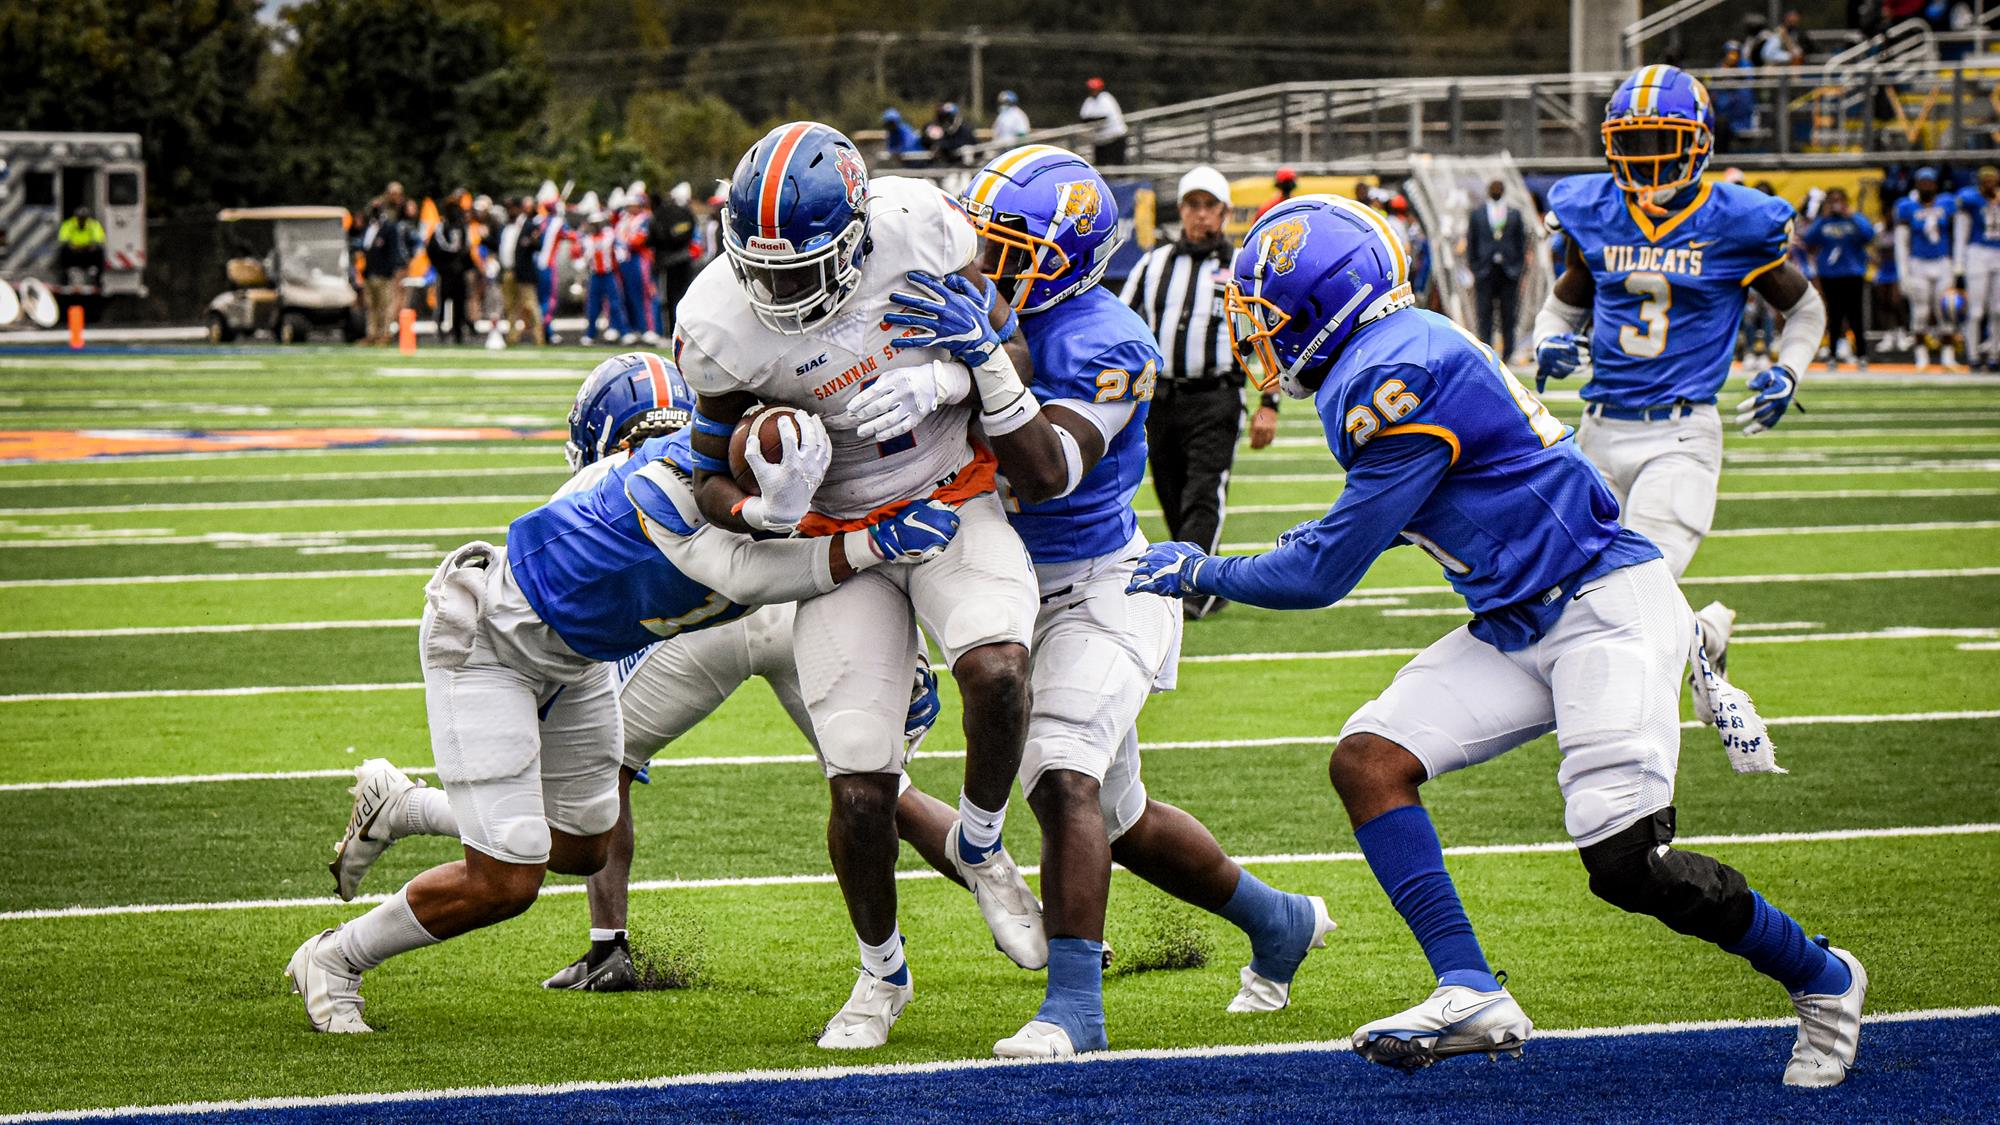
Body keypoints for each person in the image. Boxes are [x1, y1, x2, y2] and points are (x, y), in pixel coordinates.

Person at [1131, 192, 1866, 1086]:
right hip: (1520, 615)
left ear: (1327, 303)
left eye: (1271, 314)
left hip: (1602, 604)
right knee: (1369, 759)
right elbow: (1410, 510)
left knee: (1626, 864)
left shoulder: (1392, 374)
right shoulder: (1393, 351)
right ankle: (1470, 986)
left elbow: (1321, 574)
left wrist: (1199, 568)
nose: (1260, 335)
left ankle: (1823, 975)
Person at [285, 363, 966, 1035]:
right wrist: (866, 545)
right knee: (508, 876)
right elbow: (747, 573)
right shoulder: (654, 486)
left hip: (576, 660)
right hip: (490, 647)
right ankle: (336, 957)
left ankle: (404, 805)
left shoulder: (722, 478)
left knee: (584, 847)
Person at [942, 144, 1333, 1059]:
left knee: (1062, 772)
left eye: (1005, 249)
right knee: (1119, 821)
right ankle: (1277, 920)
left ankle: (1074, 1007)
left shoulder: (1108, 339)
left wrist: (982, 355)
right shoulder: (971, 306)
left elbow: (1045, 470)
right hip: (1002, 590)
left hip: (1102, 585)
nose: (982, 263)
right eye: (979, 242)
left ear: (1067, 256)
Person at [674, 122, 1046, 1049]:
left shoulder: (920, 226)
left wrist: (947, 380)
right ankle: (882, 973)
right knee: (860, 785)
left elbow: (1014, 357)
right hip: (843, 532)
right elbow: (707, 474)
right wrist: (762, 510)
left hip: (951, 490)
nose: (780, 293)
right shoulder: (718, 322)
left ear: (858, 232)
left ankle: (980, 839)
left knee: (998, 669)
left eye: (801, 269)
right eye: (764, 273)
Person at [1534, 64, 1826, 670]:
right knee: (1564, 598)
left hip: (1679, 434)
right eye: (1632, 142)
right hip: (1597, 430)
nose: (1645, 158)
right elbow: (1564, 303)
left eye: (1660, 141)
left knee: (1631, 595)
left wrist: (1790, 368)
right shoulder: (1593, 208)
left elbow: (1804, 306)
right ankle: (1704, 635)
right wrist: (1547, 341)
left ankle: (1696, 644)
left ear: (1699, 142)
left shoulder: (1737, 220)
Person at [1120, 165, 1272, 620]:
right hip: (1161, 399)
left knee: (1202, 493)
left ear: (1225, 212)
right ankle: (1208, 579)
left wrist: (1269, 404)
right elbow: (1124, 323)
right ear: (1182, 210)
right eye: (1193, 205)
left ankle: (1194, 593)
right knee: (1169, 490)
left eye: (1209, 206)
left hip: (1216, 396)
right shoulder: (1153, 263)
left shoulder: (1243, 269)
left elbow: (1267, 338)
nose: (1200, 214)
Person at [1895, 166, 1959, 371]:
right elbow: (1901, 242)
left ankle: (1948, 357)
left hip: (1942, 261)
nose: (1926, 186)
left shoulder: (1946, 203)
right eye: (1923, 183)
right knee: (1920, 312)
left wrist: (1957, 263)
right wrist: (1903, 273)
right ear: (1916, 185)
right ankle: (1921, 357)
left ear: (1936, 185)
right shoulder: (1907, 207)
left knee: (1946, 310)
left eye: (1929, 182)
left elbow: (1957, 234)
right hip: (1918, 262)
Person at [1466, 180, 1527, 361]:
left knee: (1508, 313)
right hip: (1485, 270)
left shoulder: (1514, 213)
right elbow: (1472, 241)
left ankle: (1508, 353)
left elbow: (1521, 243)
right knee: (1484, 312)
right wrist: (1475, 266)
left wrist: (1518, 267)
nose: (1496, 191)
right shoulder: (1478, 214)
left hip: (1508, 270)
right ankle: (1486, 350)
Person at [1955, 166, 2000, 371]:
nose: (1990, 184)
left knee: (1998, 310)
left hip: (1998, 251)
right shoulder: (1970, 199)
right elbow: (1961, 231)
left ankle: (1995, 354)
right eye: (1986, 180)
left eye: (1993, 180)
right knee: (1975, 311)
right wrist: (1959, 263)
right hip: (1978, 252)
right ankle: (1972, 355)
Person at [652, 183, 698, 336]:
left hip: (669, 261)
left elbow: (656, 237)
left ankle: (671, 330)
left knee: (670, 297)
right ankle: (683, 331)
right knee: (684, 296)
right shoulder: (687, 215)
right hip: (683, 259)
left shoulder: (663, 214)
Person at [359, 200, 407, 345]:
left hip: (383, 274)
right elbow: (366, 250)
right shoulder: (369, 228)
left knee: (385, 306)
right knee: (371, 306)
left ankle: (385, 334)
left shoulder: (389, 229)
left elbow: (393, 252)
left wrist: (388, 271)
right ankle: (372, 334)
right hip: (370, 273)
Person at [618, 185, 661, 345]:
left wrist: (625, 243)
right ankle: (636, 327)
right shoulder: (624, 220)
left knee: (646, 294)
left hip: (641, 259)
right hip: (626, 260)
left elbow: (638, 240)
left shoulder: (646, 218)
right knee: (630, 295)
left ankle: (651, 328)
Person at [498, 196, 543, 347]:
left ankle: (539, 338)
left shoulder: (529, 226)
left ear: (518, 208)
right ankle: (512, 338)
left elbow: (539, 245)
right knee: (510, 307)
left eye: (511, 208)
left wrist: (532, 241)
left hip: (524, 272)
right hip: (508, 271)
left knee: (530, 306)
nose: (508, 211)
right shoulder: (505, 227)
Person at [579, 211, 628, 346]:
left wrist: (618, 257)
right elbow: (581, 255)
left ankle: (623, 332)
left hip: (608, 274)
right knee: (592, 307)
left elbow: (621, 251)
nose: (595, 226)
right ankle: (590, 334)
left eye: (597, 224)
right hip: (595, 275)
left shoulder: (610, 235)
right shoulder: (587, 239)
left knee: (615, 304)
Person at [428, 199, 471, 345]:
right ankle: (441, 331)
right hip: (445, 272)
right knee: (442, 302)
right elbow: (432, 249)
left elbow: (467, 249)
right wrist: (441, 266)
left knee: (460, 304)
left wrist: (462, 265)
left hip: (458, 272)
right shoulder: (441, 228)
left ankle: (458, 333)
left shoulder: (463, 227)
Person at [1079, 77, 1127, 167]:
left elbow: (1103, 118)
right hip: (1100, 140)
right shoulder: (1089, 101)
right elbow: (1083, 118)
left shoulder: (1105, 98)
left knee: (1119, 165)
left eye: (1095, 89)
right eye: (1091, 89)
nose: (1093, 91)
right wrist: (1091, 120)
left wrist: (1091, 120)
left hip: (1115, 138)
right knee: (1100, 167)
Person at [56, 205, 106, 288]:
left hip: (88, 252)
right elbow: (62, 239)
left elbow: (100, 239)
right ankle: (64, 278)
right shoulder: (68, 224)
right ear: (76, 217)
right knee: (63, 250)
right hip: (73, 252)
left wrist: (92, 246)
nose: (82, 220)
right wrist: (71, 245)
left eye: (84, 218)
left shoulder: (93, 225)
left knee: (100, 251)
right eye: (80, 218)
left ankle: (98, 280)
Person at [925, 101, 978, 167]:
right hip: (944, 166)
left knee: (966, 150)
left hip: (964, 167)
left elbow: (961, 142)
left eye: (949, 118)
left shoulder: (965, 130)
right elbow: (928, 143)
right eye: (943, 118)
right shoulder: (940, 130)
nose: (946, 121)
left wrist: (942, 145)